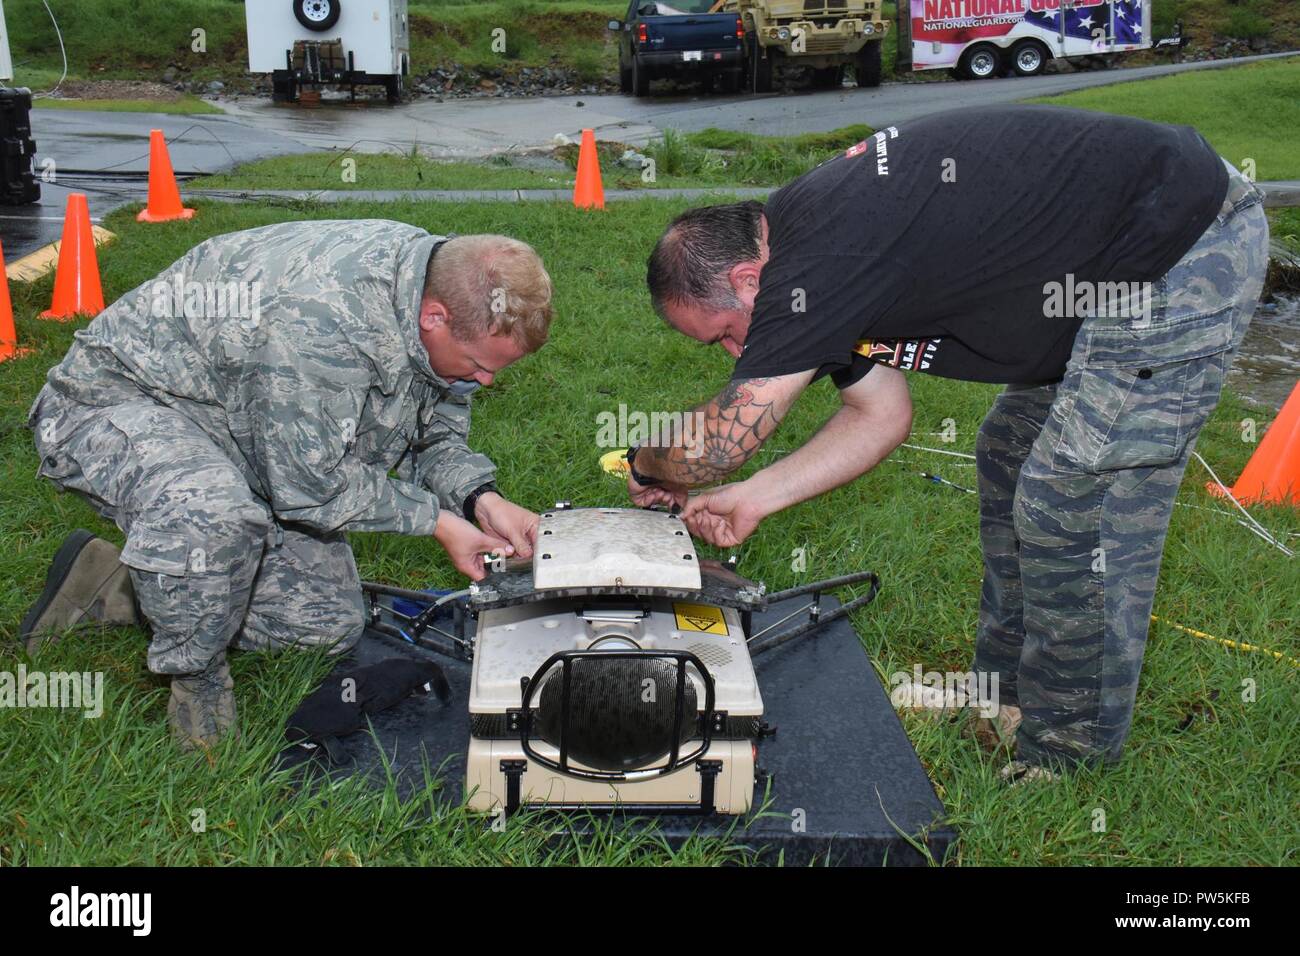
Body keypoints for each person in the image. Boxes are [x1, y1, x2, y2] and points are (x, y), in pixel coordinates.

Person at [626, 105, 1270, 779]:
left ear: (746, 280)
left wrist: (649, 463)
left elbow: (723, 443)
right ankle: (1006, 695)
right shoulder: (812, 258)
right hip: (1105, 267)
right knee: (1009, 452)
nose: (736, 350)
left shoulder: (821, 256)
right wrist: (755, 498)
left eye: (723, 333)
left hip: (1182, 243)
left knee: (1071, 494)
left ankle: (1068, 753)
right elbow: (879, 415)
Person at [21, 220, 553, 749]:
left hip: (243, 431)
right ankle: (197, 684)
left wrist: (482, 501)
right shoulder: (322, 321)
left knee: (322, 625)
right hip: (118, 404)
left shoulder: (442, 289)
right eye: (480, 367)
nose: (485, 382)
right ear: (433, 317)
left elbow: (432, 435)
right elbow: (307, 486)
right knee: (213, 512)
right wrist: (437, 523)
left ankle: (123, 584)